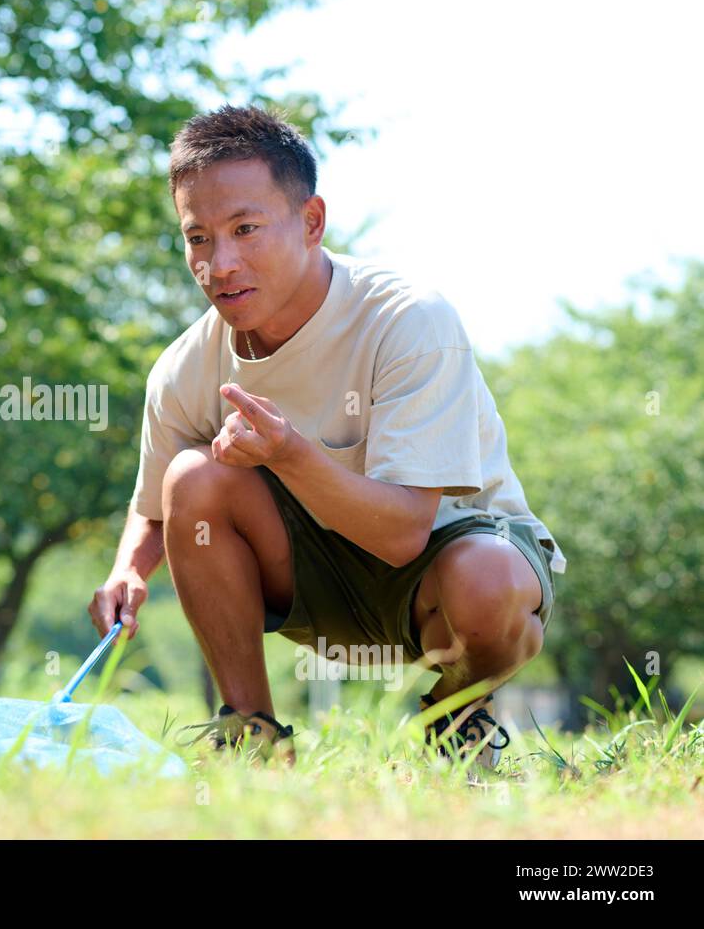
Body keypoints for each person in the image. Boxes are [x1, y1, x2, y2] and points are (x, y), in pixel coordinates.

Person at [88, 105, 564, 769]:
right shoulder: (184, 366)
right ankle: (251, 732)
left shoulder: (410, 322)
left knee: (489, 582)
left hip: (445, 567)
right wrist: (127, 572)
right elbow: (157, 504)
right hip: (316, 586)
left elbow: (403, 535)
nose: (219, 263)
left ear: (312, 222)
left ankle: (455, 719)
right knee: (196, 477)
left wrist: (287, 454)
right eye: (198, 237)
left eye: (245, 229)